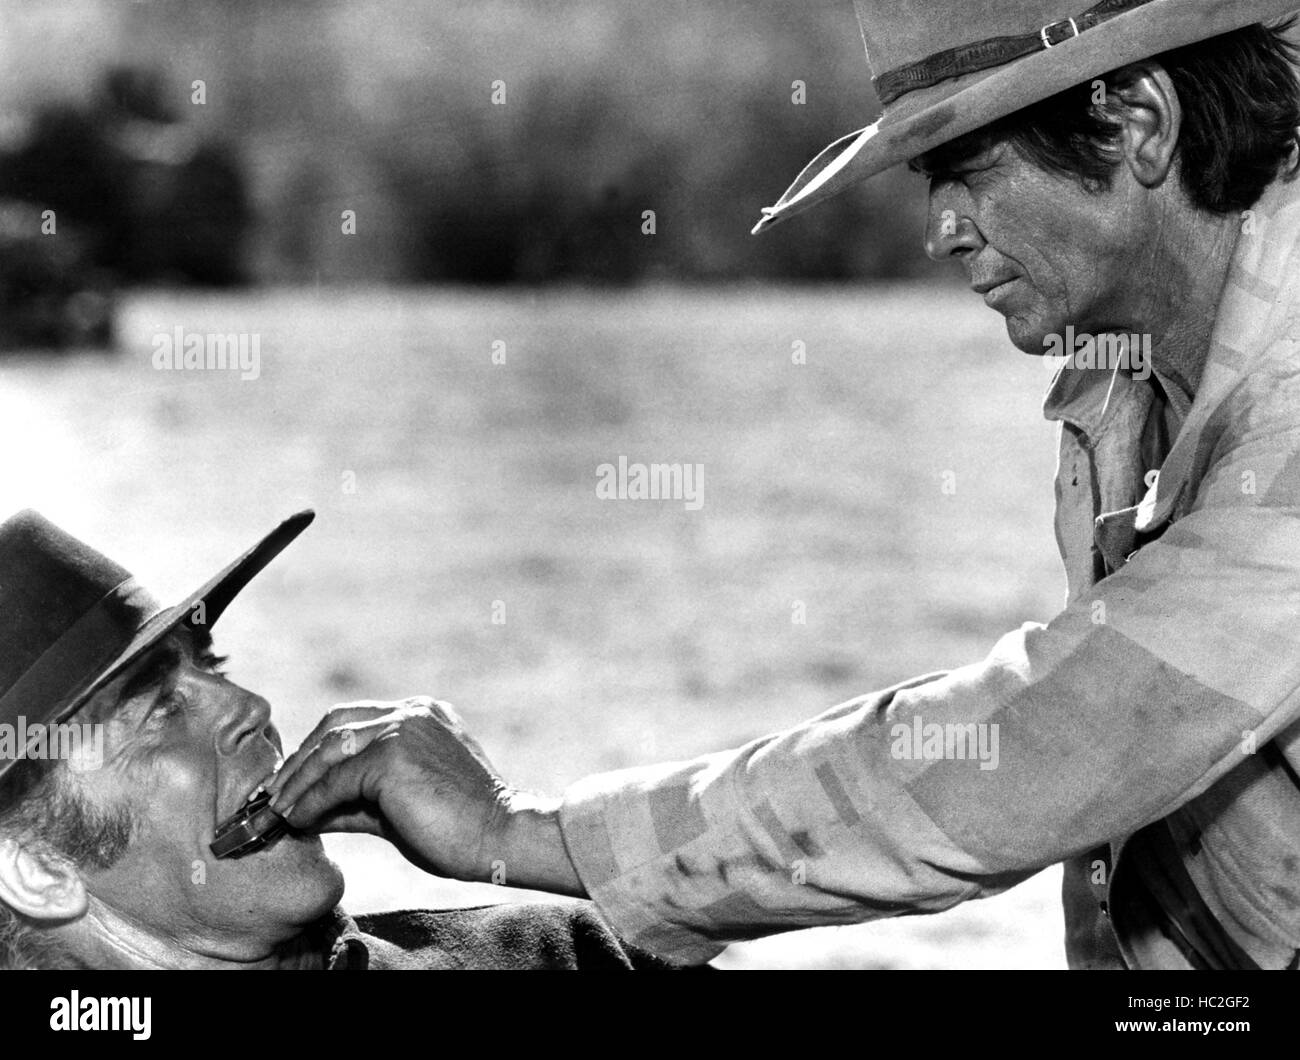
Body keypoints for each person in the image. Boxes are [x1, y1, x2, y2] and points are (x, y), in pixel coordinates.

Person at [266, 1, 1300, 970]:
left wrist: (517, 834)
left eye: (966, 166)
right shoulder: (1123, 364)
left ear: (1139, 126)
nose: (940, 228)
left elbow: (1049, 740)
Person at [0, 509, 671, 970]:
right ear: (35, 870)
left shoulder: (572, 957)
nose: (251, 707)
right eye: (160, 708)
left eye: (213, 663)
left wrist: (519, 835)